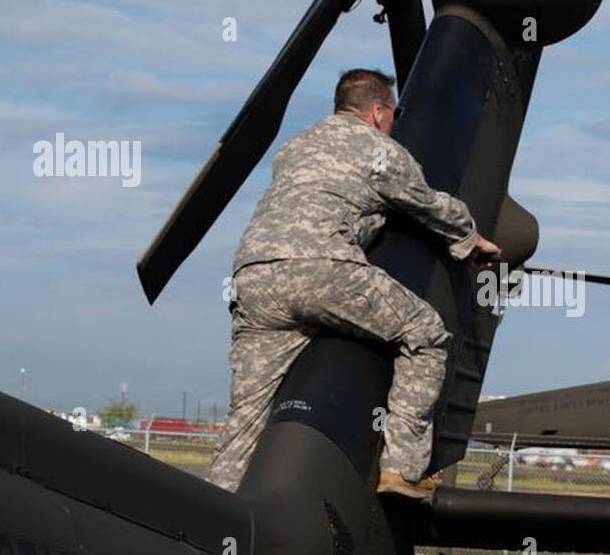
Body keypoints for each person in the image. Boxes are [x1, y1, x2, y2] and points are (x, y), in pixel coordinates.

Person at [206, 68, 500, 499]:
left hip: (252, 278)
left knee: (246, 415)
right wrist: (471, 239)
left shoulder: (294, 147)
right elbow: (425, 202)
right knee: (425, 332)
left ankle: (215, 511)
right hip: (320, 271)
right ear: (378, 111)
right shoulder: (377, 149)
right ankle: (402, 470)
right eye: (393, 116)